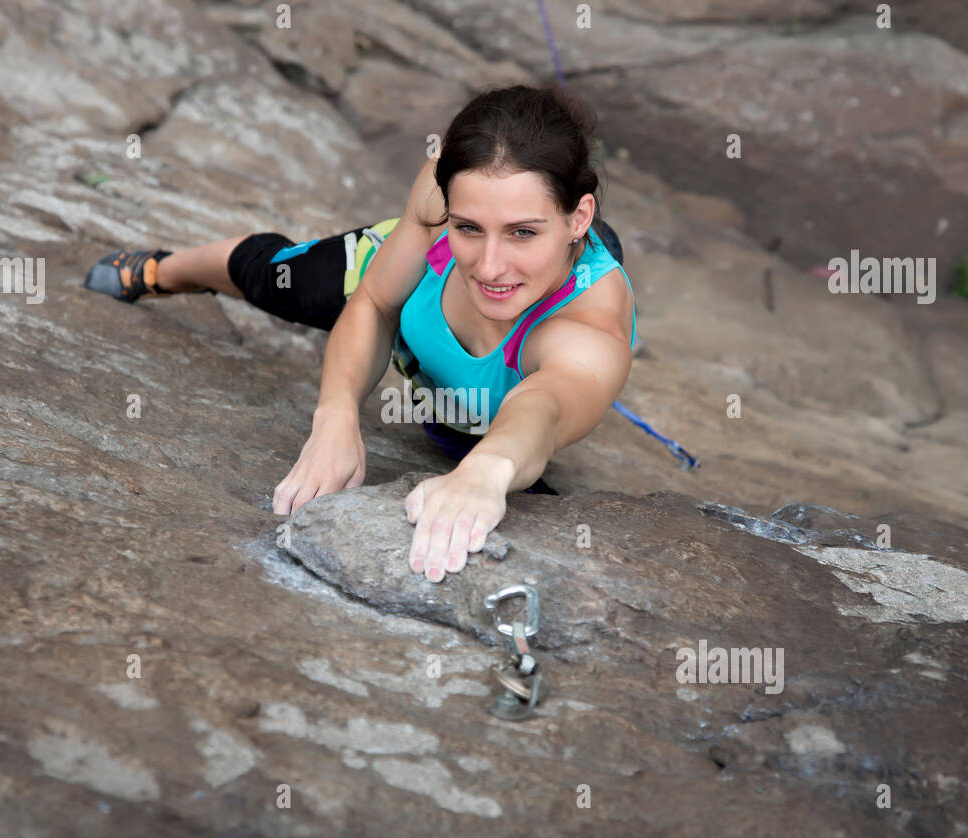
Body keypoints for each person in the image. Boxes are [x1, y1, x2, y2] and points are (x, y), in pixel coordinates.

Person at [83, 83, 637, 583]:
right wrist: (336, 416)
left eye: (522, 232)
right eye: (469, 227)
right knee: (278, 279)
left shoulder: (589, 331)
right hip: (421, 290)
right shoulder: (440, 193)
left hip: (480, 410)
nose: (490, 266)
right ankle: (163, 270)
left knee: (480, 444)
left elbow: (543, 406)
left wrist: (487, 472)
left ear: (579, 217)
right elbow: (372, 301)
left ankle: (471, 441)